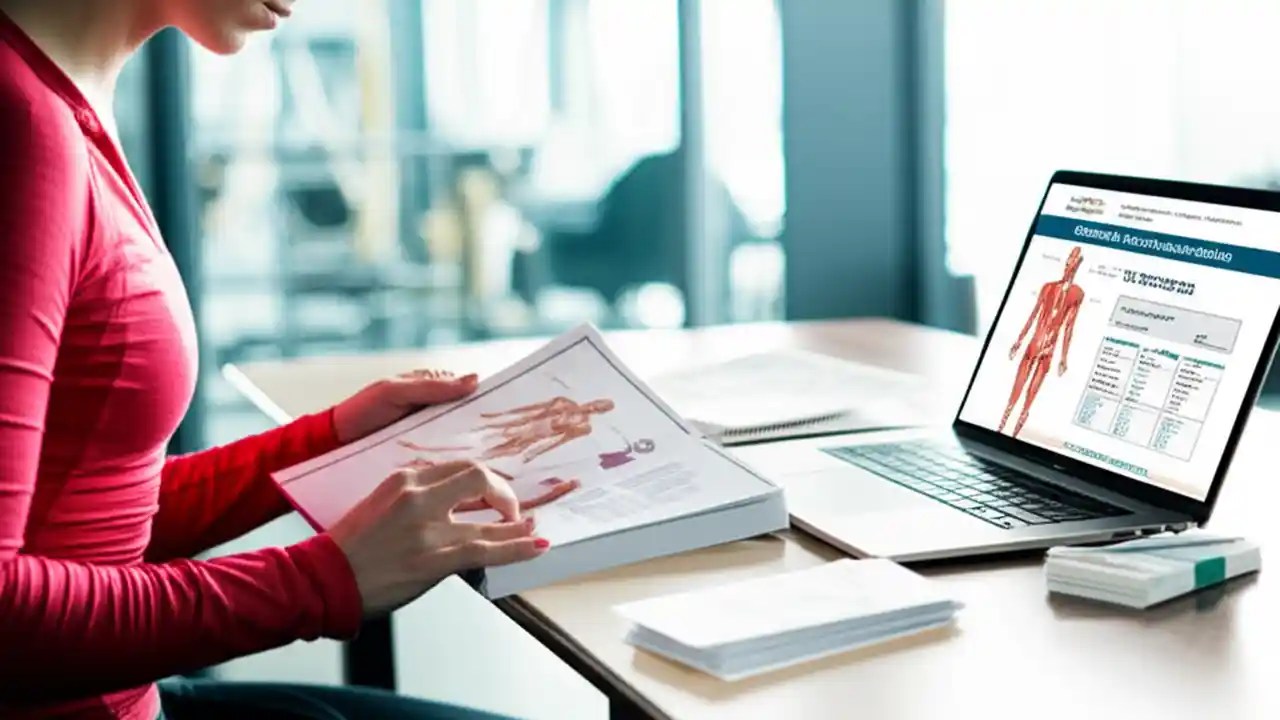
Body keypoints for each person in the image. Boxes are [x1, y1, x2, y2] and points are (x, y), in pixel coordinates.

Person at [0, 2, 547, 719]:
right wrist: (322, 579)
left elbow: (88, 511)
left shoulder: (56, 94)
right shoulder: (22, 129)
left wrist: (325, 441)